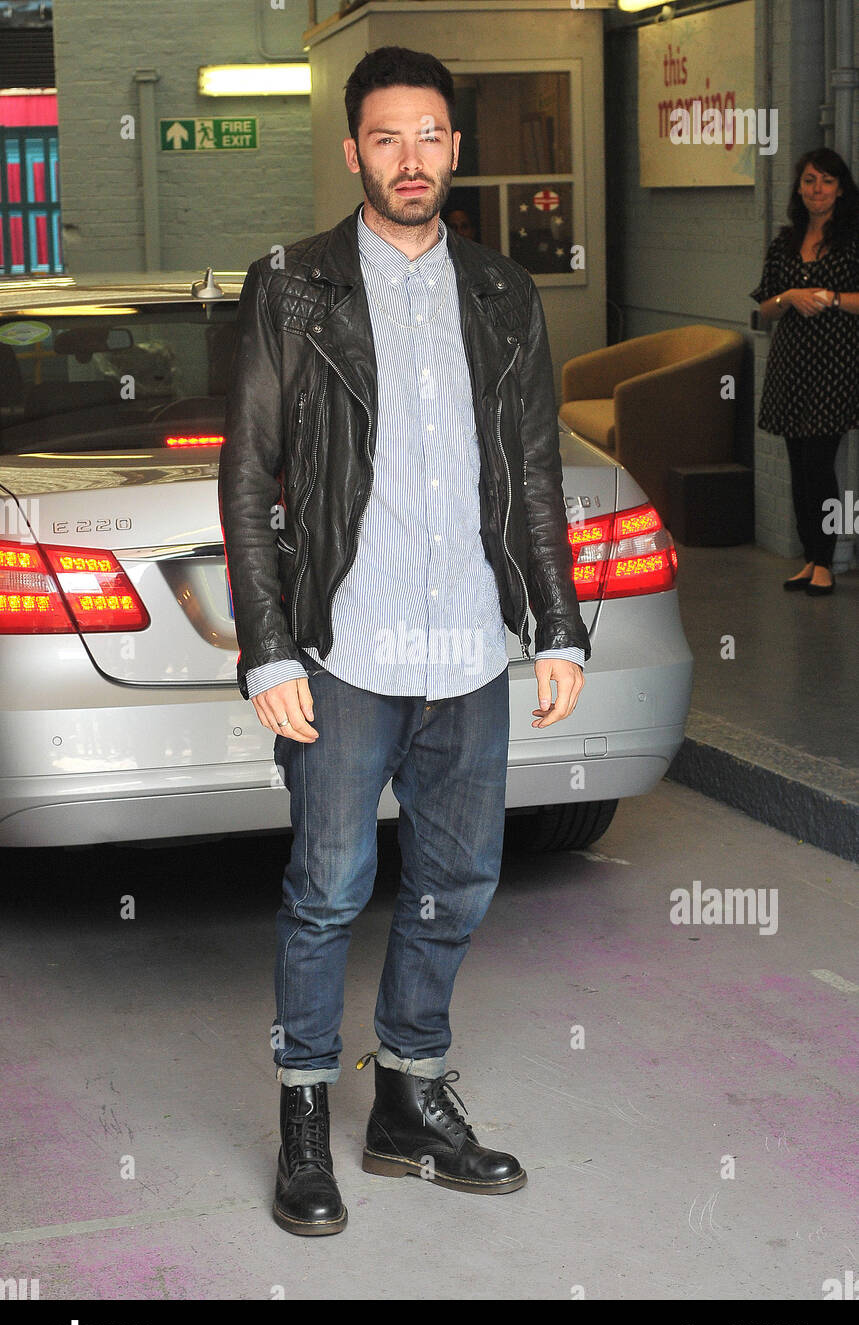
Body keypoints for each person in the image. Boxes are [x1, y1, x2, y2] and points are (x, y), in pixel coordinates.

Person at [218, 45, 590, 1237]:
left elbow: (533, 471)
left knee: (457, 881)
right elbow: (248, 476)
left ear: (456, 149)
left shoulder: (501, 291)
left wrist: (558, 625)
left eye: (430, 135)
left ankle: (409, 1102)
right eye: (387, 138)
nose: (411, 158)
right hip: (344, 646)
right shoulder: (293, 285)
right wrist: (268, 648)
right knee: (327, 889)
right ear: (352, 152)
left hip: (473, 650)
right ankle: (302, 1111)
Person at [751, 147, 859, 595]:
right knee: (798, 465)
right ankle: (810, 558)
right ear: (799, 188)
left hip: (835, 365)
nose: (818, 190)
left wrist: (830, 297)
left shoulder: (852, 239)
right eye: (810, 181)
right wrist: (790, 296)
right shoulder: (785, 241)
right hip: (792, 364)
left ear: (841, 188)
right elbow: (764, 307)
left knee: (820, 464)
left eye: (827, 182)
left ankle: (826, 561)